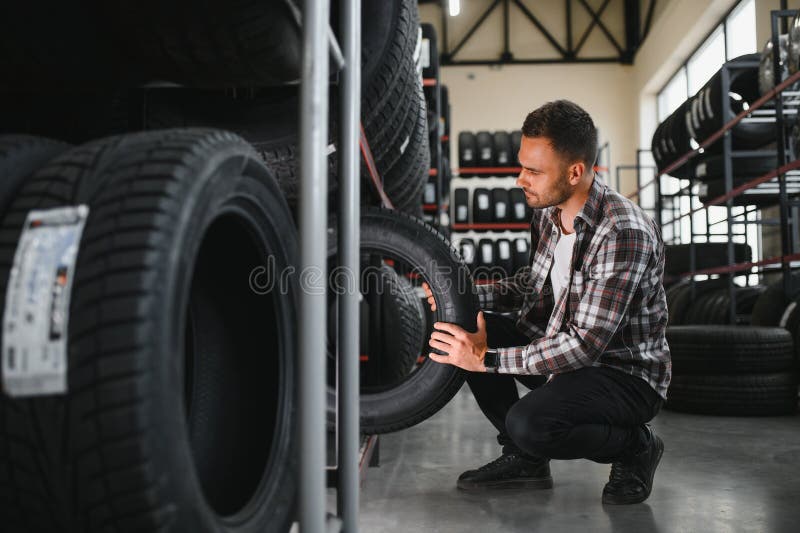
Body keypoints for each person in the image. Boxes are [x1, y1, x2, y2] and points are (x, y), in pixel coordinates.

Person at [421, 100, 671, 505]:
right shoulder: (548, 214)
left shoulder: (622, 230)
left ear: (575, 172)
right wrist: (464, 297)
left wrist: (487, 359)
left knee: (530, 422)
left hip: (623, 375)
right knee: (464, 324)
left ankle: (636, 446)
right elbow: (532, 287)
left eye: (534, 171)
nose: (521, 180)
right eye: (522, 166)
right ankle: (526, 460)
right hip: (567, 358)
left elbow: (585, 344)